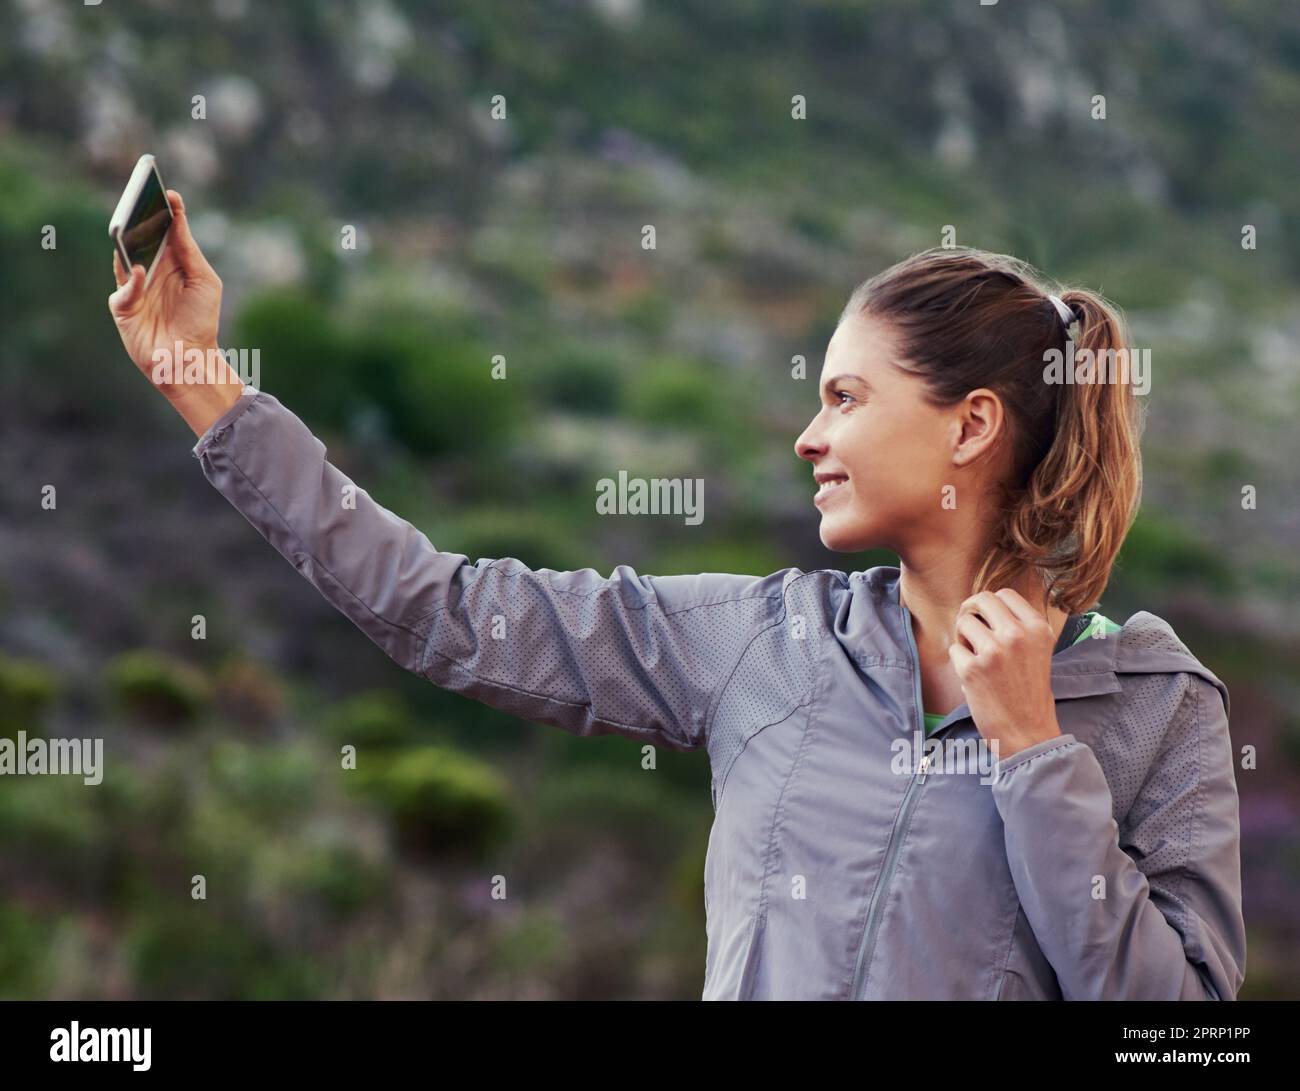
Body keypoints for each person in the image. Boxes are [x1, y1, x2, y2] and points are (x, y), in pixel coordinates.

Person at [108, 190, 1246, 1000]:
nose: (809, 437)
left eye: (846, 397)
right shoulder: (760, 641)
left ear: (971, 423)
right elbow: (444, 608)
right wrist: (205, 384)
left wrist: (1038, 757)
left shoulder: (1155, 705)